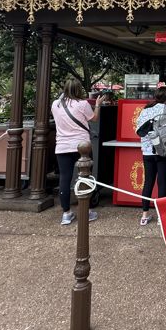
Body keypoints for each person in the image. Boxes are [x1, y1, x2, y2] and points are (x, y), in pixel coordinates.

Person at [50, 78, 104, 225]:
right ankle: (85, 211)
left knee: (64, 179)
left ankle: (66, 213)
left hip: (62, 146)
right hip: (82, 146)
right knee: (85, 177)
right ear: (79, 89)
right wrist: (97, 105)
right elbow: (94, 118)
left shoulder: (55, 105)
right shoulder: (83, 104)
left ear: (65, 89)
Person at [135, 83, 166, 226]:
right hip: (164, 150)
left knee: (148, 182)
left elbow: (138, 129)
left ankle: (144, 215)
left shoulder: (145, 110)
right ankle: (161, 217)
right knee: (162, 182)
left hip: (148, 151)